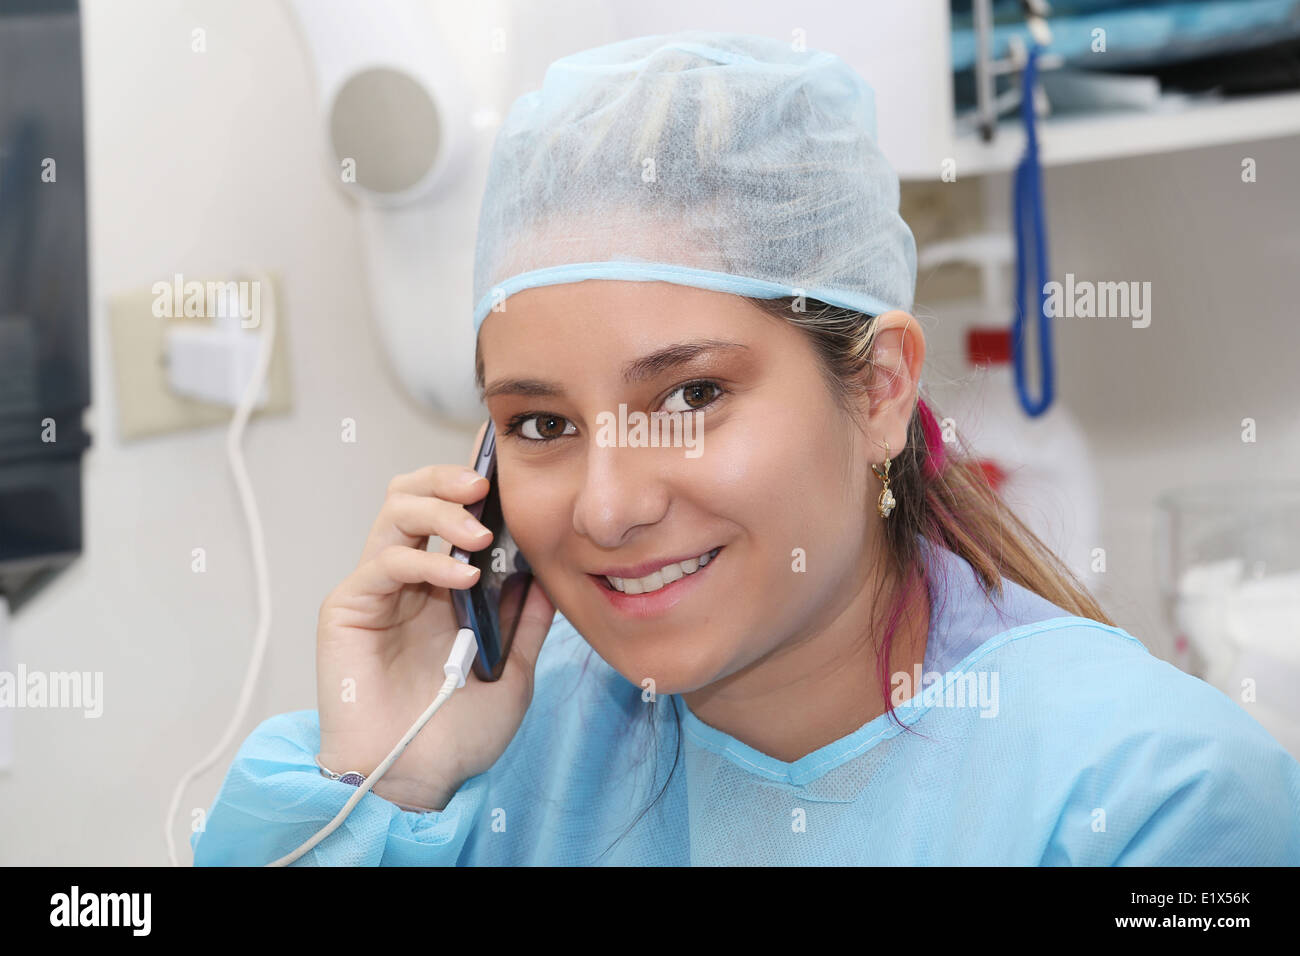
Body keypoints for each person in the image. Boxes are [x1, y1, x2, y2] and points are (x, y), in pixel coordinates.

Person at [191, 30, 1300, 866]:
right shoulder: (505, 755)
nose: (607, 506)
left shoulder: (1156, 802)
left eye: (689, 394)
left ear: (876, 390)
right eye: (540, 425)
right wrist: (385, 770)